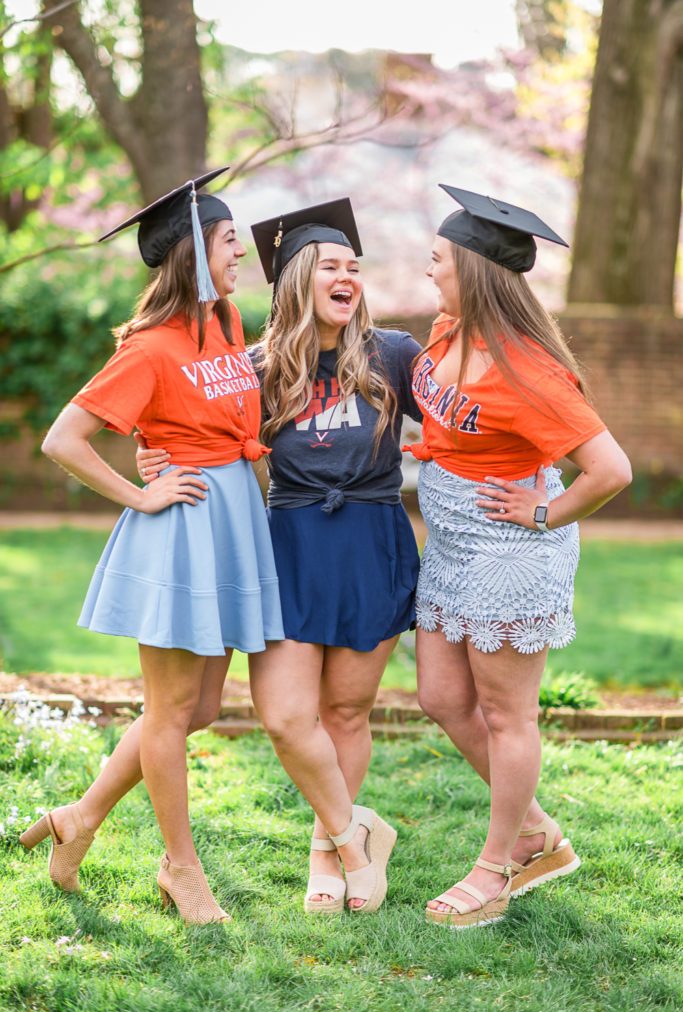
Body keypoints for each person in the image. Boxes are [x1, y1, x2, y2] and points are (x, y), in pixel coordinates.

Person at [138, 198, 423, 913]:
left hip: (371, 541)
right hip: (289, 545)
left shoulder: (392, 353)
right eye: (331, 265)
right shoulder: (254, 366)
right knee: (288, 715)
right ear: (299, 278)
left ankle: (326, 856)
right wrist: (152, 456)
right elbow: (187, 419)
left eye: (354, 267)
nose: (346, 277)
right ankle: (355, 835)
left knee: (348, 711)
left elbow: (466, 416)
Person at [20, 169, 283, 926]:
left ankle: (81, 816)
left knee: (197, 706)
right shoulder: (151, 348)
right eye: (231, 242)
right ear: (196, 254)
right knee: (169, 710)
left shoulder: (228, 323)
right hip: (183, 530)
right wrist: (142, 491)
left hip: (232, 520)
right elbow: (63, 439)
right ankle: (181, 867)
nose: (242, 255)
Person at [403, 185, 632, 928]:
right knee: (440, 696)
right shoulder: (445, 331)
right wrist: (435, 451)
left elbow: (611, 469)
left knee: (506, 715)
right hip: (451, 542)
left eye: (438, 259)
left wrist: (544, 510)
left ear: (470, 268)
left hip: (509, 550)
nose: (428, 270)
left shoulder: (528, 370)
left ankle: (500, 864)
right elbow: (453, 415)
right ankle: (537, 833)